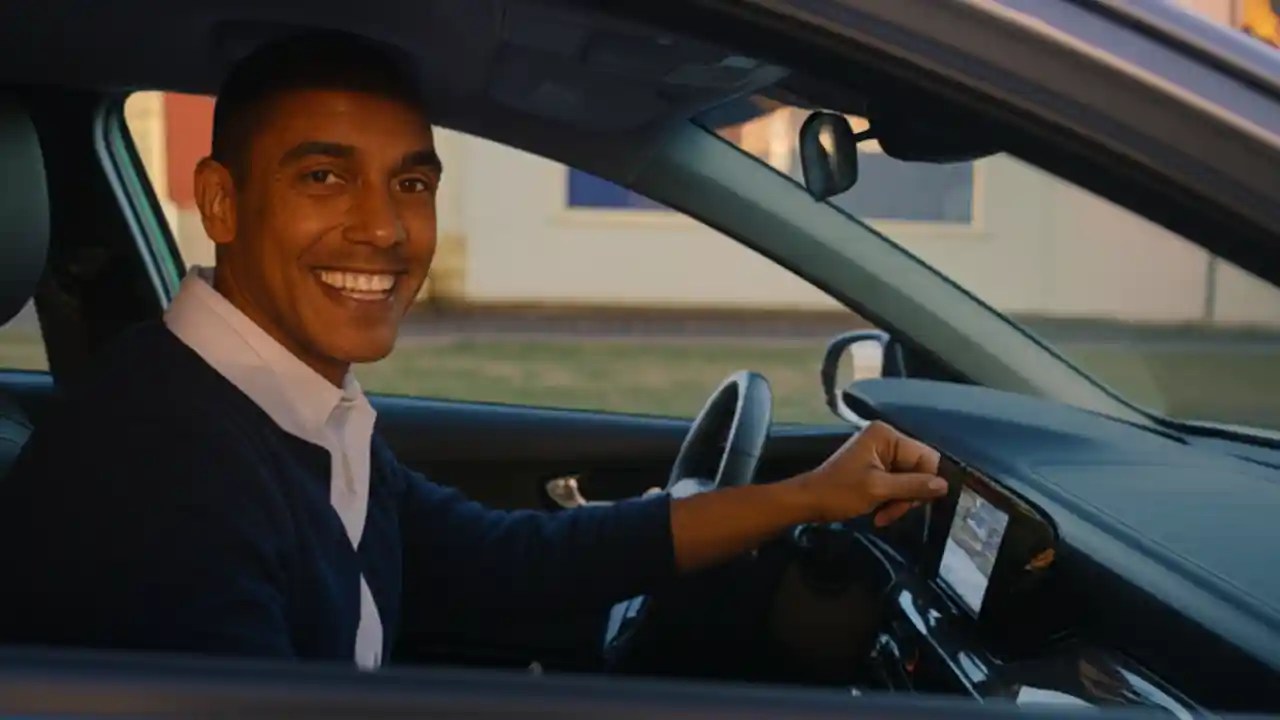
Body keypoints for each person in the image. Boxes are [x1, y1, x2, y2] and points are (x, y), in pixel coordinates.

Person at [0, 33, 946, 669]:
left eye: (411, 182)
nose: (385, 229)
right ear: (220, 204)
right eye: (324, 176)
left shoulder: (281, 411)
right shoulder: (160, 478)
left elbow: (502, 561)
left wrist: (809, 496)